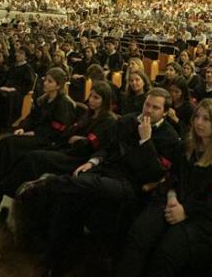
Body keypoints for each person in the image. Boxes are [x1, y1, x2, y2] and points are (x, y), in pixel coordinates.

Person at [34, 88, 182, 276]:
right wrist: (92, 161)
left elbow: (155, 174)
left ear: (165, 111)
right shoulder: (127, 120)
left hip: (132, 183)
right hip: (108, 170)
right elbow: (107, 147)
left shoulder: (169, 137)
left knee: (88, 185)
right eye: (147, 104)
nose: (148, 110)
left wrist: (146, 140)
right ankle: (54, 261)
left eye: (155, 107)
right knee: (69, 197)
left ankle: (50, 183)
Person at [117, 98, 212, 277]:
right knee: (138, 235)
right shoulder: (188, 145)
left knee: (166, 252)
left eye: (206, 119)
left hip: (203, 216)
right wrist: (171, 197)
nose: (199, 122)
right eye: (197, 117)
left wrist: (186, 211)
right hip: (172, 201)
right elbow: (172, 177)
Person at [0, 81, 118, 214]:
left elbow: (88, 144)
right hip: (65, 149)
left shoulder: (107, 120)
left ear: (105, 101)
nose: (90, 100)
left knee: (31, 157)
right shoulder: (88, 115)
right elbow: (69, 134)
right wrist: (74, 138)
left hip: (76, 159)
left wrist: (75, 139)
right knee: (15, 151)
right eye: (91, 96)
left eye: (96, 98)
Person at [0, 67, 76, 218]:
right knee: (6, 148)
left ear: (58, 85)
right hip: (35, 137)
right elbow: (31, 118)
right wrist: (22, 128)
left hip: (47, 142)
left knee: (7, 144)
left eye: (50, 81)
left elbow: (57, 131)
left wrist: (33, 133)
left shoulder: (63, 103)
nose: (44, 82)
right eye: (45, 78)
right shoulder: (44, 99)